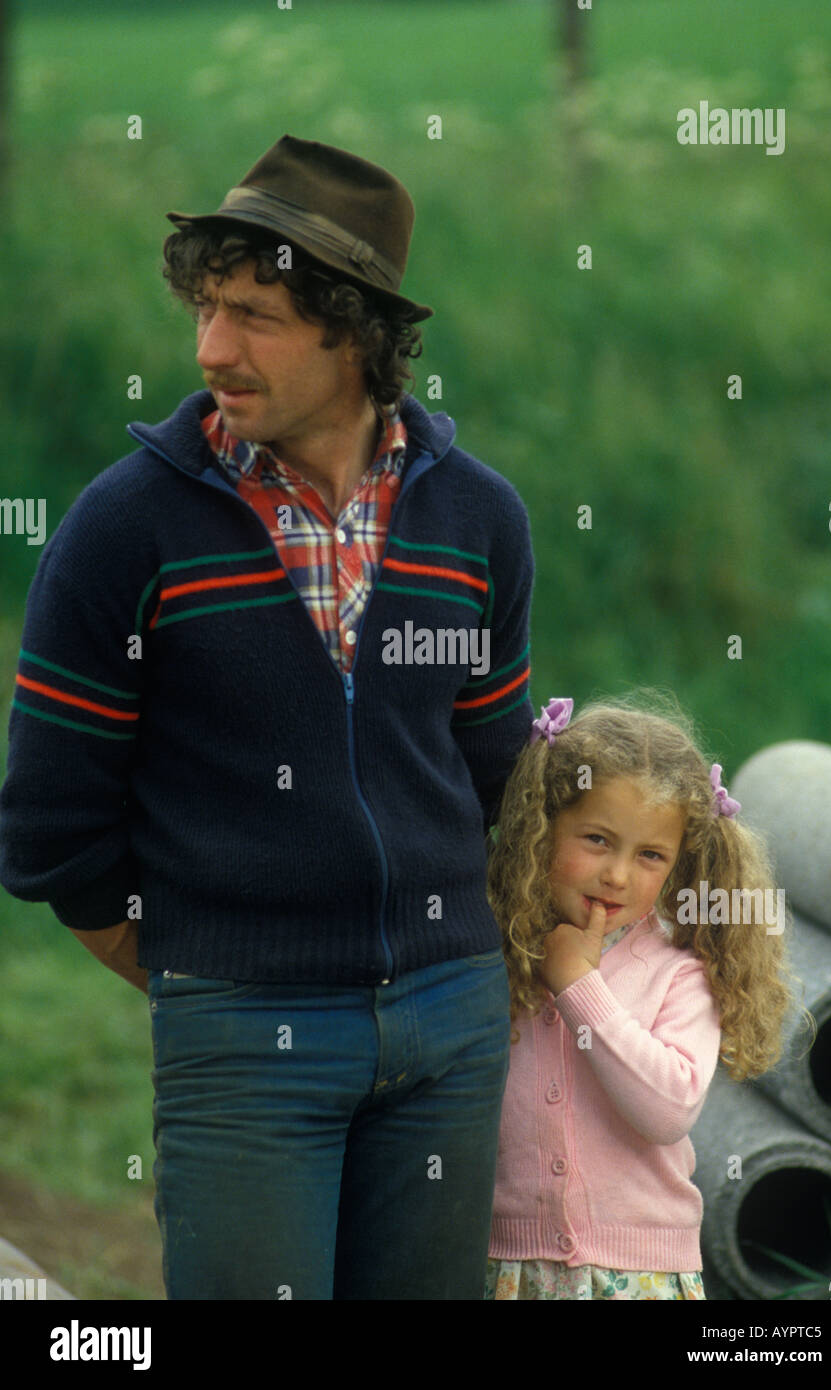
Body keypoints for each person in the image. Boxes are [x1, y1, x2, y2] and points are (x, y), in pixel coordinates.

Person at [0, 136, 535, 1299]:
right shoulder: (125, 528)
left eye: (252, 315)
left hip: (451, 1025)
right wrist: (211, 973)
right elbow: (50, 821)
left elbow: (500, 775)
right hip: (244, 1034)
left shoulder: (477, 519)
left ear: (356, 332)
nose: (209, 349)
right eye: (203, 308)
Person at [484, 694, 796, 1300]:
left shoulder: (679, 971)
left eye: (650, 855)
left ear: (679, 862)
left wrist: (578, 984)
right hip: (507, 1266)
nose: (618, 875)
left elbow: (669, 1109)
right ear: (543, 828)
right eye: (597, 839)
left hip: (638, 1275)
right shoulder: (500, 951)